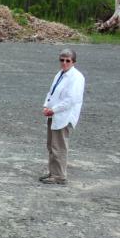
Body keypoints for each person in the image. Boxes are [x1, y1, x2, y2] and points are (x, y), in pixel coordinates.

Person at [40, 47, 85, 185]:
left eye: (68, 60)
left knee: (59, 146)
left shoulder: (76, 77)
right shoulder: (60, 74)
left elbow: (70, 100)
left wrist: (54, 110)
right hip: (53, 113)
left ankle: (60, 175)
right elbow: (52, 92)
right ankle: (53, 172)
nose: (64, 63)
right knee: (51, 145)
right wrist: (46, 105)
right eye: (62, 60)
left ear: (73, 62)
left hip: (63, 116)